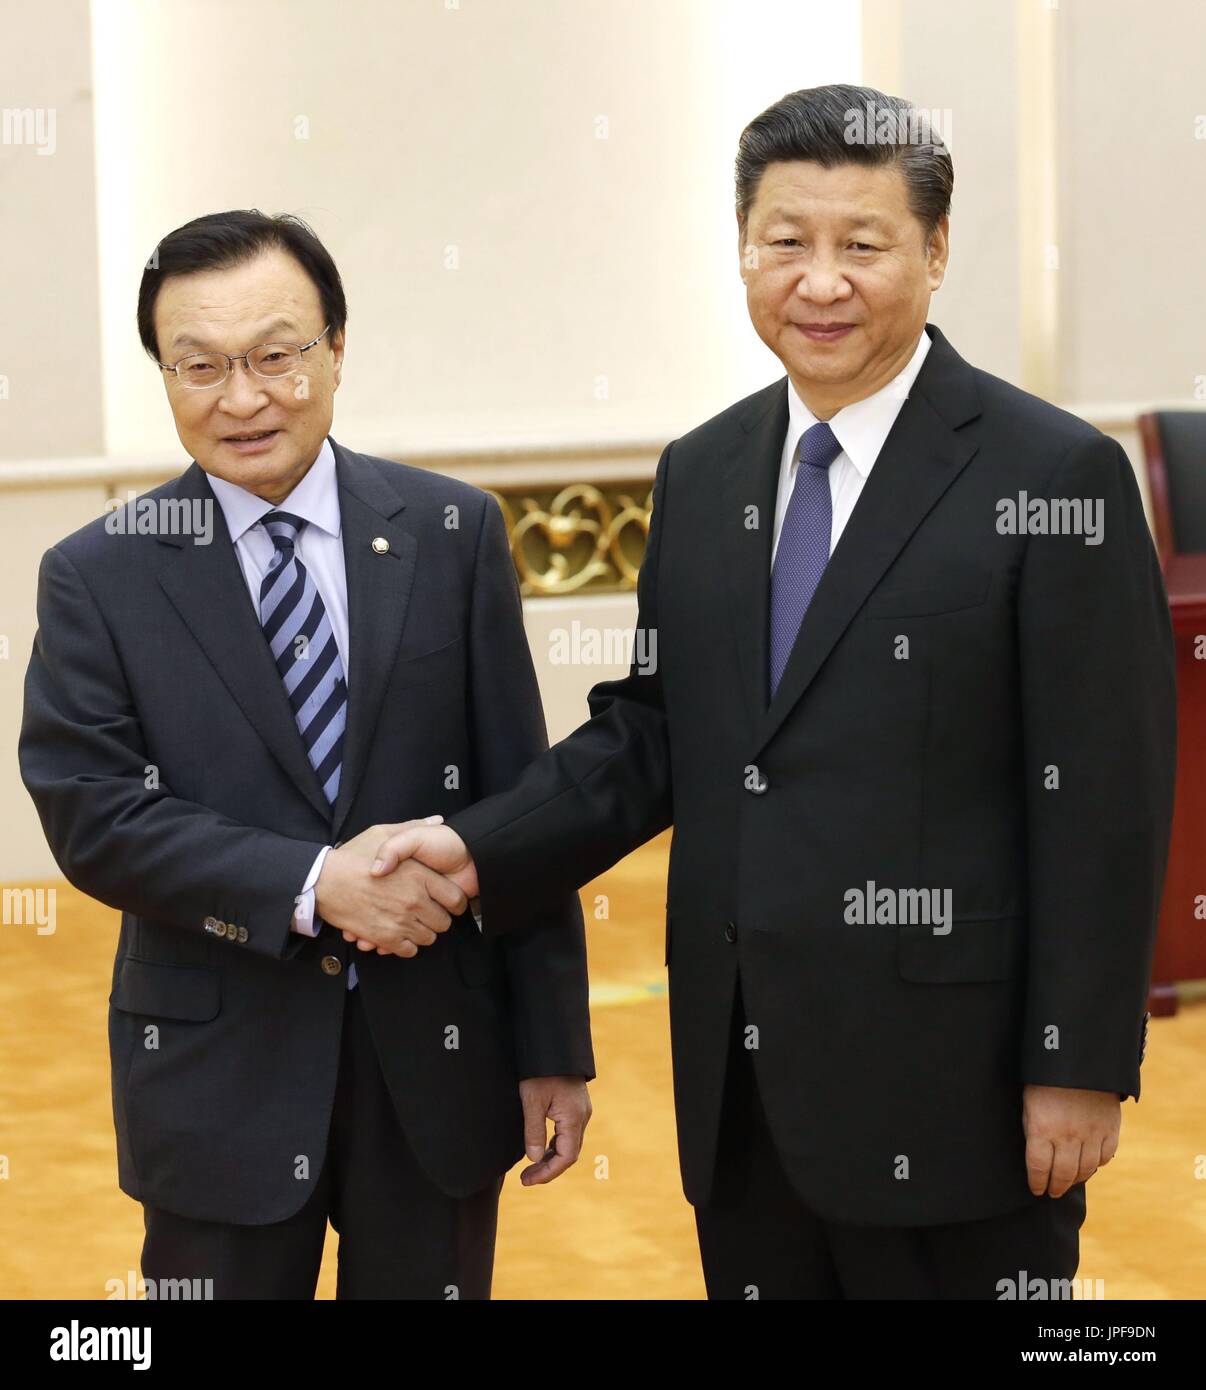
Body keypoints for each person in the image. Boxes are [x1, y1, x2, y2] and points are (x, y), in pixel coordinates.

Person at [366, 84, 1176, 1299]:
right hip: (744, 1086)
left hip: (955, 1090)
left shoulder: (1053, 473)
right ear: (742, 248)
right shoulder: (705, 469)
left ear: (938, 251)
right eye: (786, 241)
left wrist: (1077, 1061)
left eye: (865, 244)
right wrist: (471, 847)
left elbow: (1106, 799)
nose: (821, 280)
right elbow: (651, 732)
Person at [19, 210, 593, 1300]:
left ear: (337, 349)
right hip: (216, 1076)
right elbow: (93, 812)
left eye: (276, 355)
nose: (242, 397)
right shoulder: (99, 574)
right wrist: (314, 884)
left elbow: (526, 804)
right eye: (199, 365)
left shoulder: (453, 532)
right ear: (166, 375)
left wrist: (552, 1043)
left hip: (438, 1066)